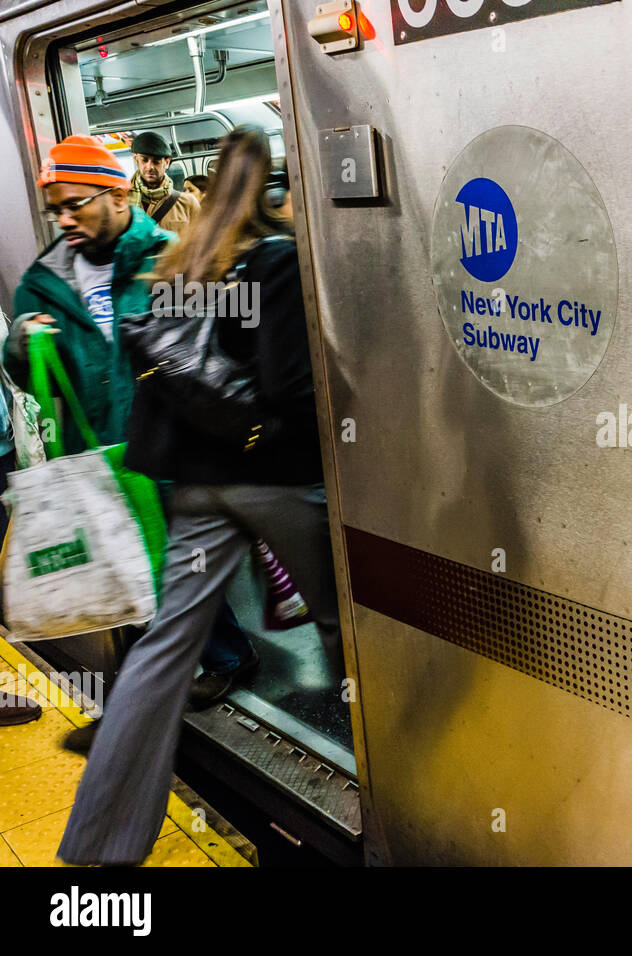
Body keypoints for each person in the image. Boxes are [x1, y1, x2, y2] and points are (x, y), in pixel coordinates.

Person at [58, 126, 342, 866]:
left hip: (195, 489)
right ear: (271, 187)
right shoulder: (275, 261)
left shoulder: (181, 262)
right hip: (276, 484)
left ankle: (98, 850)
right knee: (346, 623)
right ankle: (384, 773)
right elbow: (287, 388)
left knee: (163, 651)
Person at [1, 135, 256, 746]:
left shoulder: (168, 256)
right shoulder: (46, 281)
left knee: (174, 561)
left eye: (76, 204)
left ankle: (210, 669)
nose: (65, 220)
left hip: (172, 445)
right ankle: (177, 684)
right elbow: (21, 367)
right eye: (56, 209)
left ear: (116, 194)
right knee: (141, 562)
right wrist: (19, 345)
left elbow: (220, 344)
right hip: (100, 449)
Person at [127, 131, 201, 236]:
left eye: (156, 161)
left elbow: (200, 239)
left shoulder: (187, 203)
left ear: (166, 163)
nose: (150, 167)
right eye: (144, 160)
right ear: (136, 160)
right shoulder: (123, 202)